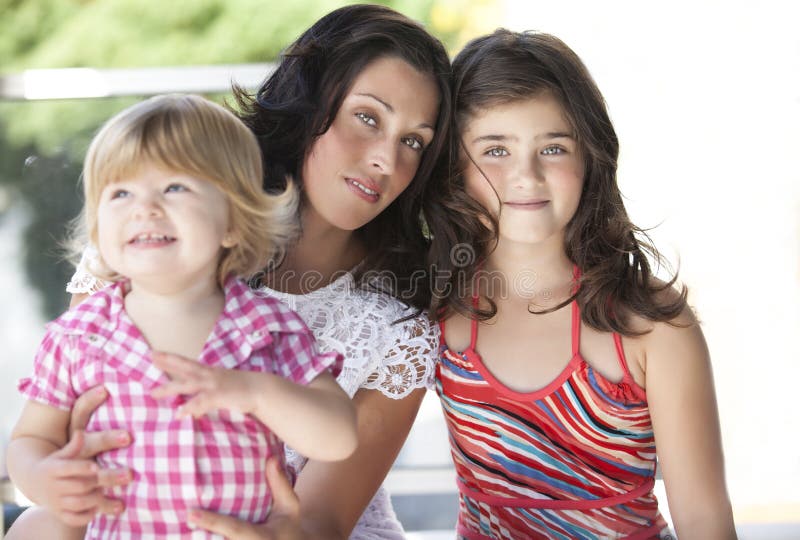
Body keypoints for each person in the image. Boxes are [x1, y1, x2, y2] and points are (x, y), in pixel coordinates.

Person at [6, 4, 453, 539]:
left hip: (292, 535)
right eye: (368, 117)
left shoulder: (392, 326)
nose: (386, 159)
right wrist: (55, 477)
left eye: (413, 141)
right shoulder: (150, 242)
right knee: (39, 525)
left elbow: (323, 519)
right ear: (310, 106)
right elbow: (56, 437)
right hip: (140, 519)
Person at [427, 30, 737, 539]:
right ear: (454, 169)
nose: (526, 174)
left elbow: (705, 520)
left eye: (552, 148)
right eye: (496, 150)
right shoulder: (439, 308)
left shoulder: (652, 325)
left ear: (591, 157)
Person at [6, 93, 357, 539]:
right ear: (98, 226)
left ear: (233, 221)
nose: (144, 208)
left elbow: (338, 436)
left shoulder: (267, 328)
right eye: (121, 192)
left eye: (174, 187)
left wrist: (256, 392)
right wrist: (42, 477)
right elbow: (29, 440)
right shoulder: (80, 334)